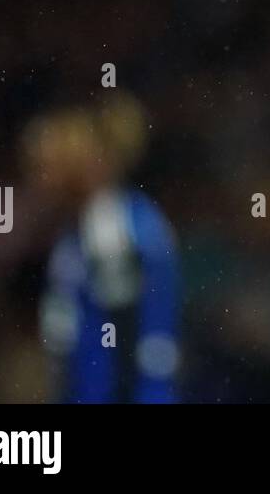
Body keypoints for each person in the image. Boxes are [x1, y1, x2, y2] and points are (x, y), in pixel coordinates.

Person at [22, 95, 180, 403]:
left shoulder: (112, 226)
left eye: (49, 168)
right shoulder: (84, 224)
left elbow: (129, 337)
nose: (41, 180)